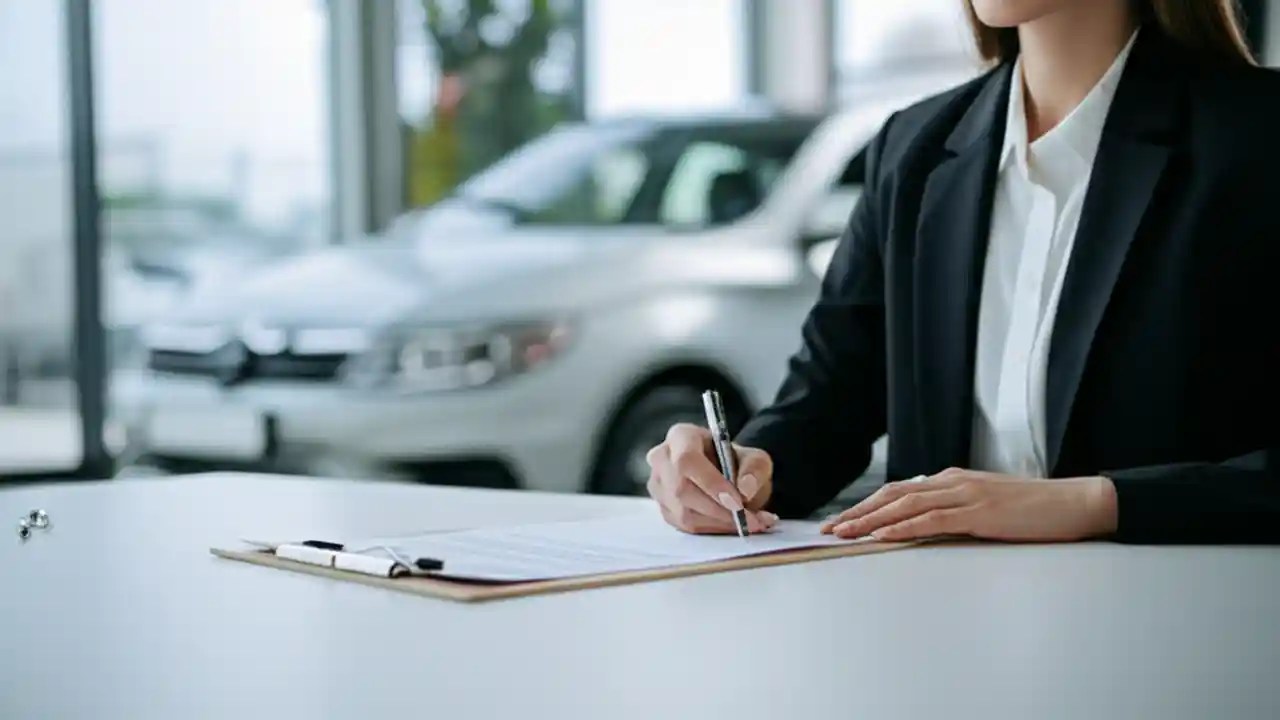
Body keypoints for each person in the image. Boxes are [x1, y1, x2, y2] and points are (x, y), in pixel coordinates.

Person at [646, 0, 1280, 544]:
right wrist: (740, 472)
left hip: (1180, 637)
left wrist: (1091, 503)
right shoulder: (913, 149)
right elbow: (828, 404)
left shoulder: (1255, 140)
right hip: (940, 630)